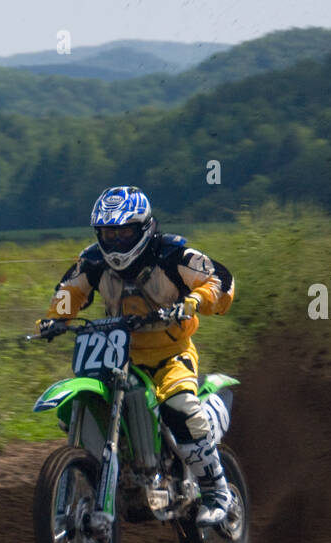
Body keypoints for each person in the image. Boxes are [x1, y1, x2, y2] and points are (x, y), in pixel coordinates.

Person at [40, 185, 237, 525]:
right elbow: (69, 290)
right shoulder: (93, 261)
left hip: (170, 356)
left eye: (124, 231)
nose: (116, 241)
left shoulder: (172, 255)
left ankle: (218, 491)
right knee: (79, 404)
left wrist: (194, 301)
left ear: (144, 228)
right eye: (108, 233)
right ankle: (112, 472)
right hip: (118, 355)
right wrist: (55, 319)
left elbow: (220, 279)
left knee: (179, 406)